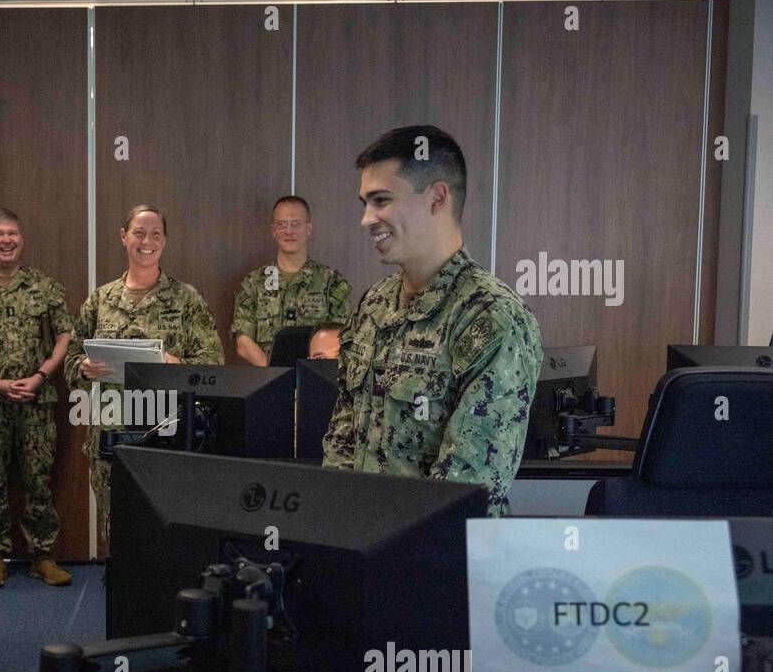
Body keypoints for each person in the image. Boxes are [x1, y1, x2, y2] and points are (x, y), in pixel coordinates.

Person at [321, 125, 542, 519]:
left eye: (381, 200)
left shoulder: (490, 316)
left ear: (437, 198)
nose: (366, 219)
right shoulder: (374, 303)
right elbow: (343, 435)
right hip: (358, 546)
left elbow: (468, 489)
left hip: (433, 562)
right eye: (365, 202)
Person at [63, 204, 223, 547]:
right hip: (111, 434)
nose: (146, 241)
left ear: (164, 242)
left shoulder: (186, 299)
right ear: (124, 237)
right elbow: (71, 357)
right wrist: (82, 368)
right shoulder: (100, 300)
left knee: (165, 534)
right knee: (117, 536)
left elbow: (213, 365)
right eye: (138, 233)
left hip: (167, 434)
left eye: (155, 234)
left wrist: (173, 363)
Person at [0, 208, 74, 588]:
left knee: (39, 479)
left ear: (22, 239)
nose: (7, 240)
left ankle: (43, 555)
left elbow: (64, 336)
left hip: (36, 401)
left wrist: (39, 377)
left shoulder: (44, 286)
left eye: (13, 234)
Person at [231, 195, 352, 366]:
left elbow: (341, 340)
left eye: (296, 224)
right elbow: (243, 343)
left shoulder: (332, 283)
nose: (289, 231)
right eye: (282, 225)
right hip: (267, 382)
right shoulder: (252, 284)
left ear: (308, 229)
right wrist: (277, 376)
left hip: (317, 381)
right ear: (274, 231)